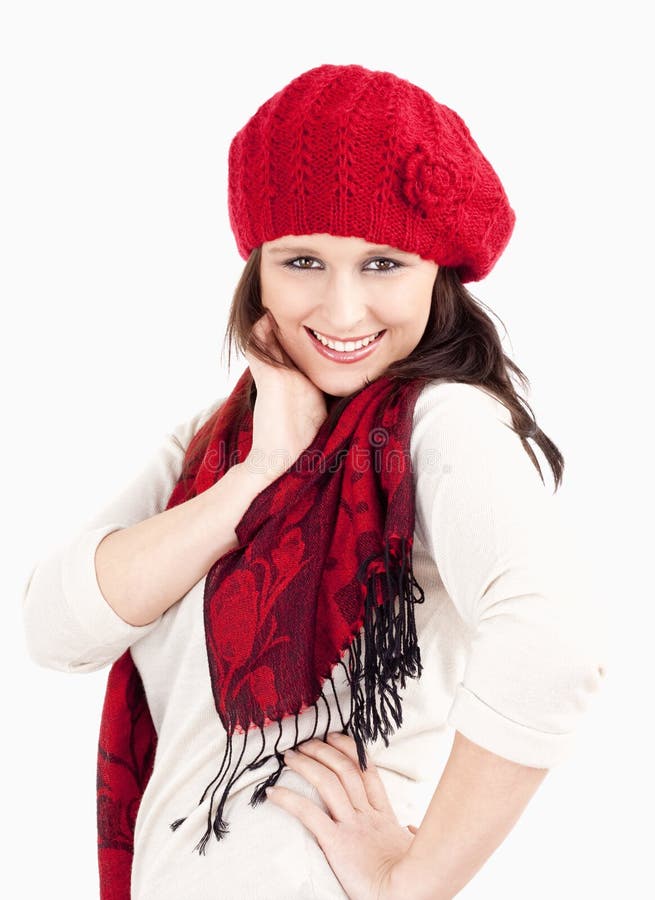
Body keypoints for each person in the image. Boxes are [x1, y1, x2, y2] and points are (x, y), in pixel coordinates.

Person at [21, 63, 607, 900]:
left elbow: (554, 647)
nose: (339, 311)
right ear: (255, 266)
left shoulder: (438, 424)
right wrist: (260, 471)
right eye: (302, 261)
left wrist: (414, 880)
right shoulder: (212, 443)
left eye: (381, 264)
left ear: (436, 272)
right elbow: (55, 630)